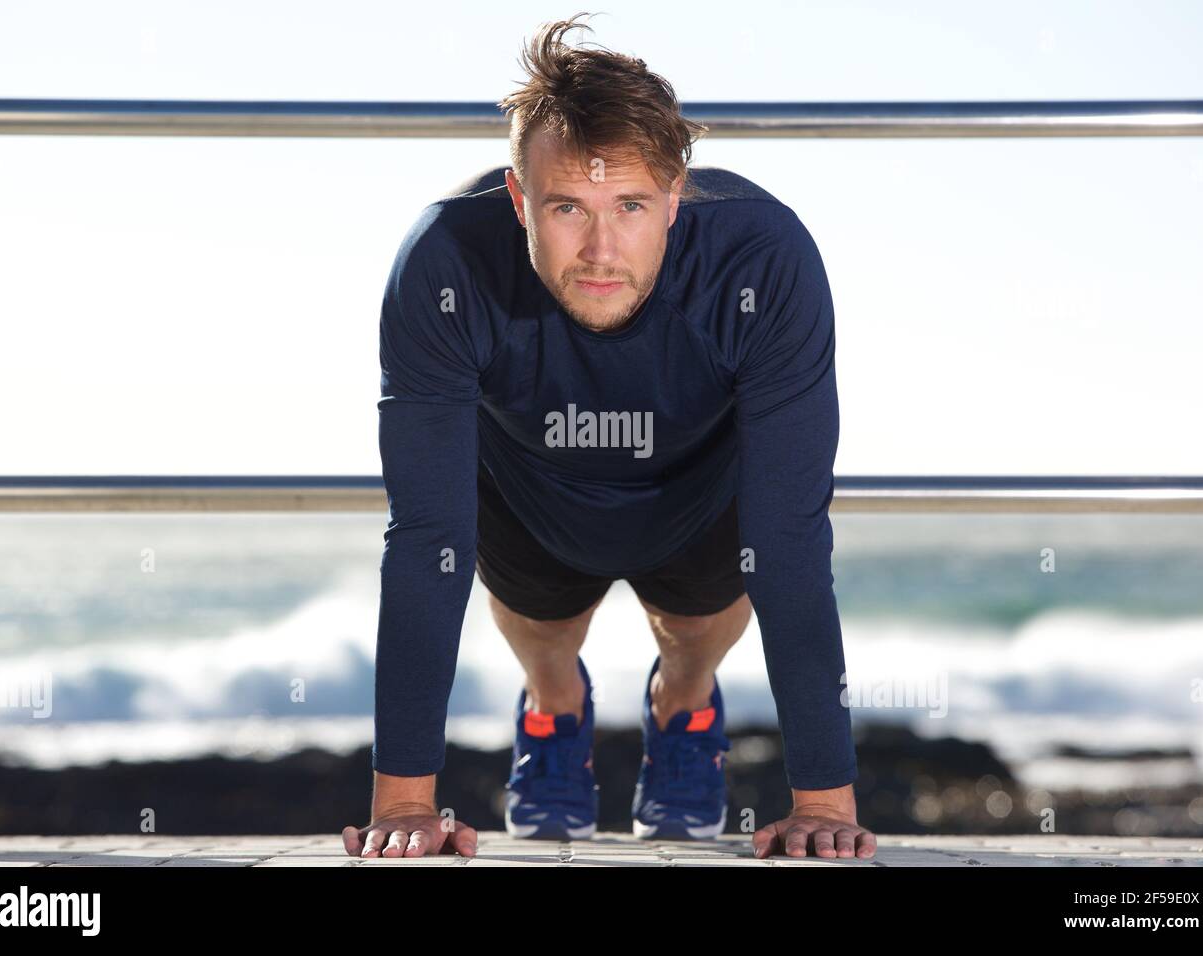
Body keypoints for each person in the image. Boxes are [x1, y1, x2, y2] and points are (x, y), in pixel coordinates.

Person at [342, 13, 876, 861]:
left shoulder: (764, 260)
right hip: (528, 491)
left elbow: (790, 540)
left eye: (629, 205)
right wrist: (404, 804)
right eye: (566, 207)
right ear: (519, 198)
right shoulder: (444, 260)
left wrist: (823, 803)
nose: (600, 249)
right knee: (545, 637)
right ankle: (555, 708)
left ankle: (684, 708)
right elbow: (426, 541)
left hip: (698, 494)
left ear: (675, 197)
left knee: (698, 634)